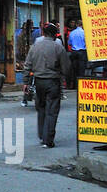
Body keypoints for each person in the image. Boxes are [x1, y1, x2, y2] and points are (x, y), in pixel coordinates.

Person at [24, 21, 70, 149]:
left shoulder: (35, 47)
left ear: (43, 33)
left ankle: (42, 136)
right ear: (55, 35)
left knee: (41, 109)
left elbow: (27, 65)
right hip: (52, 82)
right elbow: (66, 68)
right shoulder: (58, 47)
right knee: (52, 111)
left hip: (39, 82)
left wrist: (26, 82)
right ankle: (48, 139)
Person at [67, 19, 87, 87]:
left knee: (74, 69)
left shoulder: (72, 33)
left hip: (74, 52)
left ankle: (75, 85)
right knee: (81, 69)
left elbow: (69, 43)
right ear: (82, 25)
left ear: (76, 24)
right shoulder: (84, 33)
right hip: (82, 52)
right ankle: (80, 85)